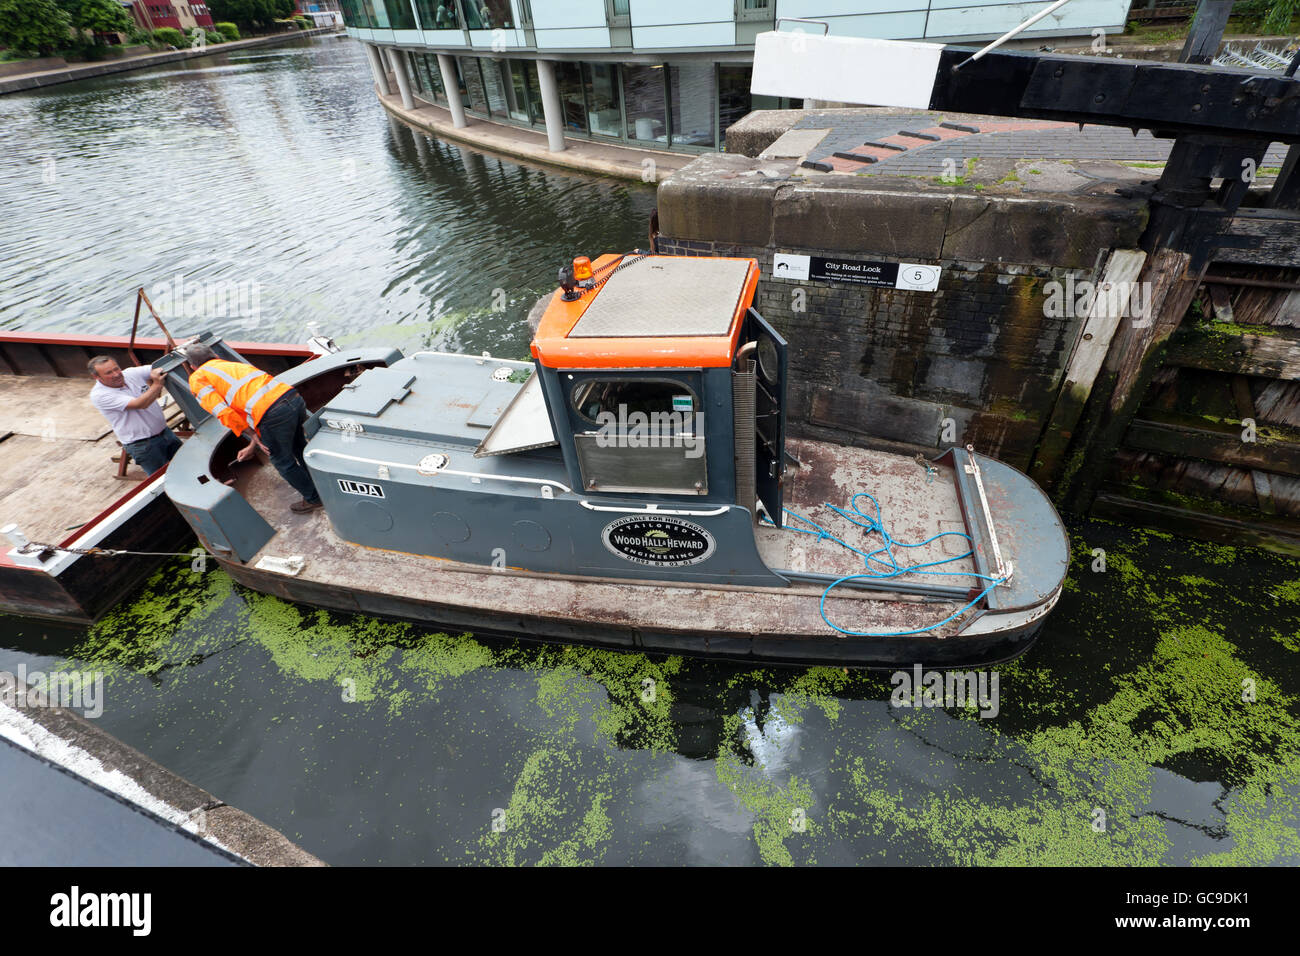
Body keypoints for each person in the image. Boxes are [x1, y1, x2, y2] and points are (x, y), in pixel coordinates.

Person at [183, 343, 322, 514]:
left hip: (271, 413)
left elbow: (223, 412)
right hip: (293, 398)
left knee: (282, 461)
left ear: (192, 366)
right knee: (299, 445)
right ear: (215, 356)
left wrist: (251, 435)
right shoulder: (232, 365)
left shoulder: (198, 378)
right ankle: (323, 483)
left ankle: (314, 498)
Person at [88, 356, 182, 477]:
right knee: (161, 479)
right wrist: (157, 384)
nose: (116, 374)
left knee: (188, 466)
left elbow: (159, 368)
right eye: (109, 373)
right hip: (143, 445)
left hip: (166, 433)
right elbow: (140, 404)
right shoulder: (100, 395)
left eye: (116, 369)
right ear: (96, 377)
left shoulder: (130, 373)